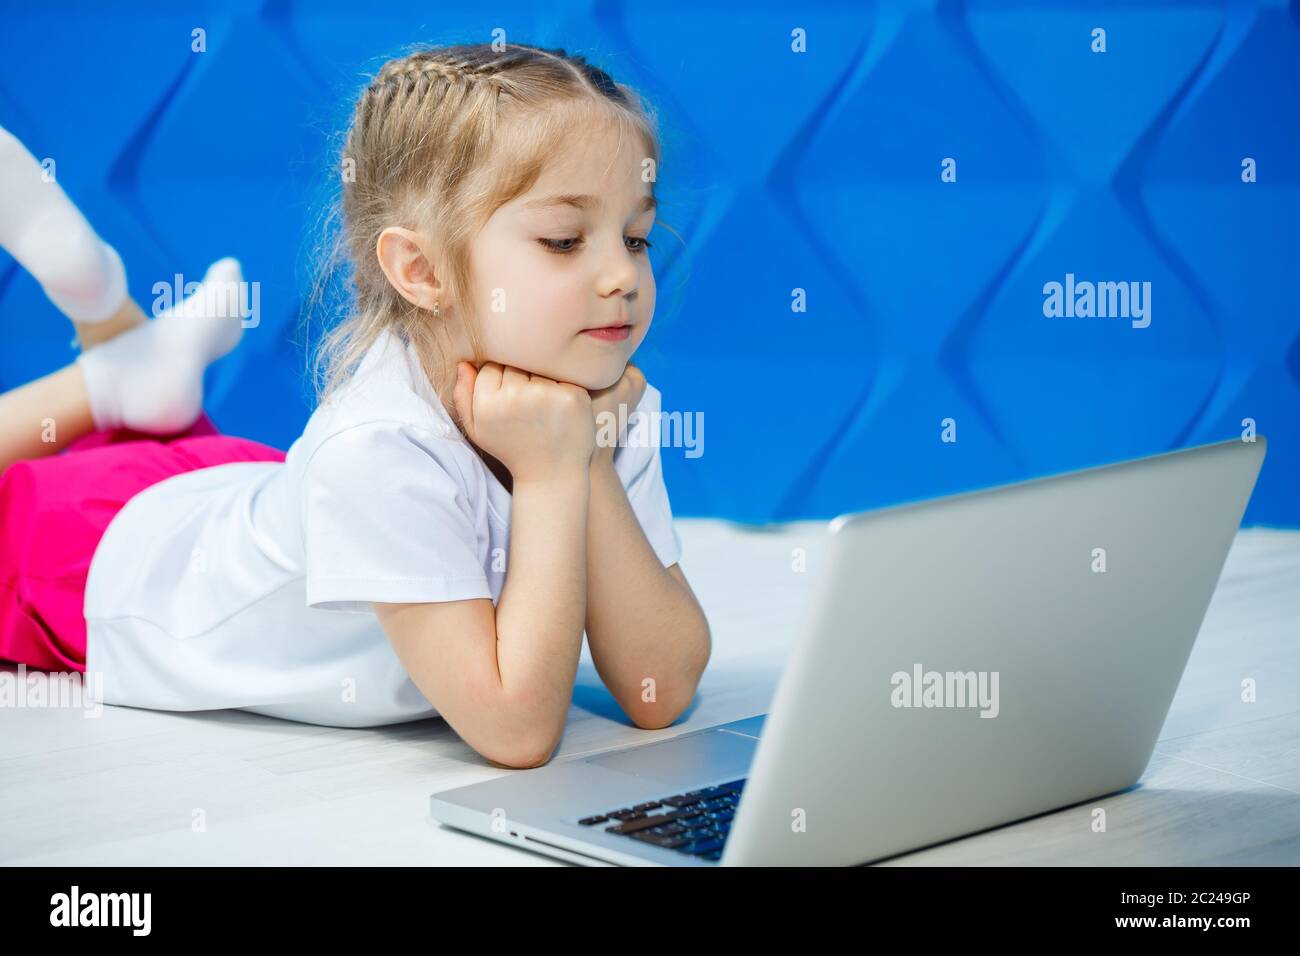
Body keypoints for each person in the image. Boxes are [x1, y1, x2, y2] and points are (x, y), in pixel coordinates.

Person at [0, 43, 711, 769]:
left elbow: (660, 687)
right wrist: (559, 472)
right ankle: (108, 375)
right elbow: (517, 731)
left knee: (136, 450)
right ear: (422, 269)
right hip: (99, 564)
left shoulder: (593, 405)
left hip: (229, 487)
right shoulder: (375, 448)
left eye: (636, 236)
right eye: (565, 241)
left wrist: (583, 459)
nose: (622, 273)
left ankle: (129, 362)